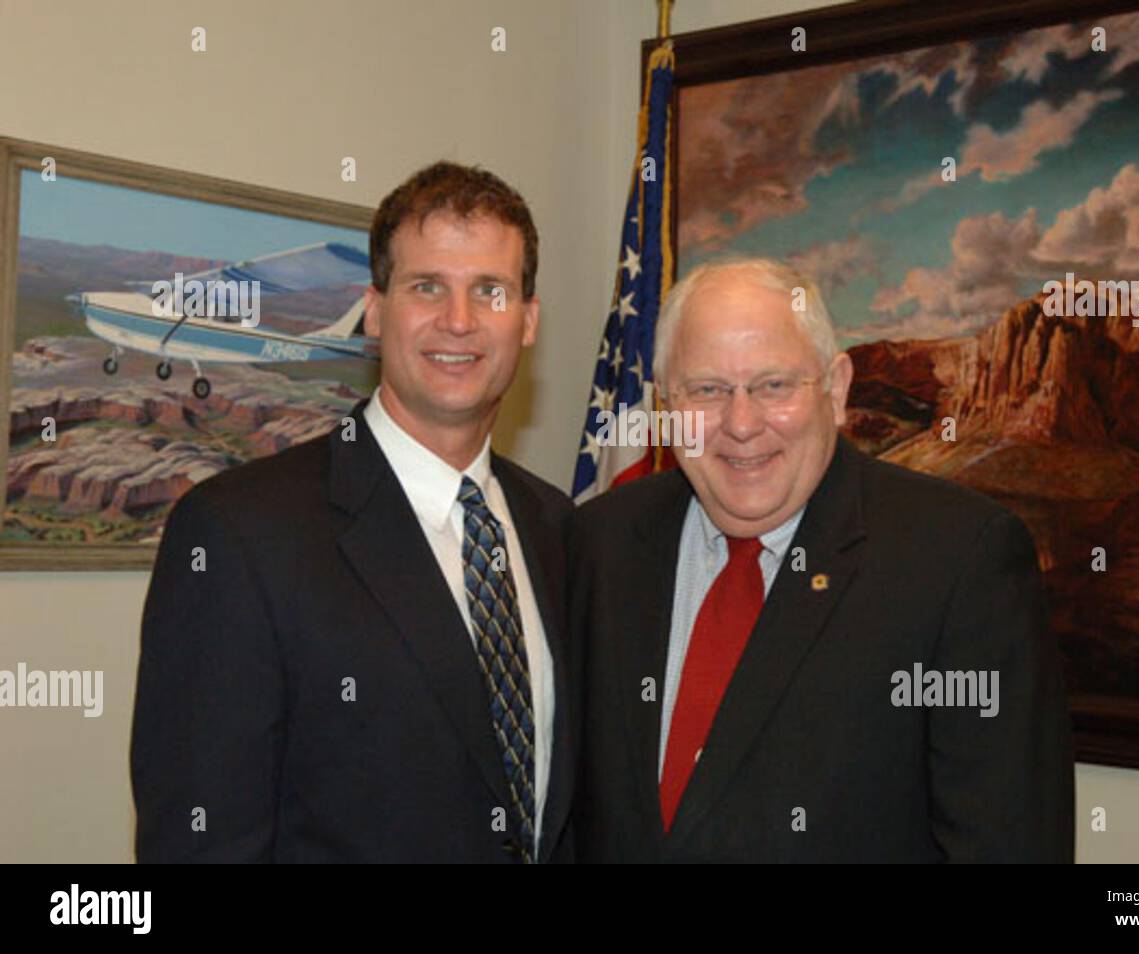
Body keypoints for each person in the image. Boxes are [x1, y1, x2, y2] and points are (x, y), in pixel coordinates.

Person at [131, 161, 574, 863]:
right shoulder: (240, 534)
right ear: (375, 310)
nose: (459, 320)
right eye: (426, 286)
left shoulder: (559, 528)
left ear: (528, 320)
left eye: (490, 290)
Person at [571, 258, 1074, 862]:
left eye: (774, 385)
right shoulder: (600, 543)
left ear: (835, 391)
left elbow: (1008, 847)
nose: (741, 424)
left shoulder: (960, 563)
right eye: (706, 390)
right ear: (666, 407)